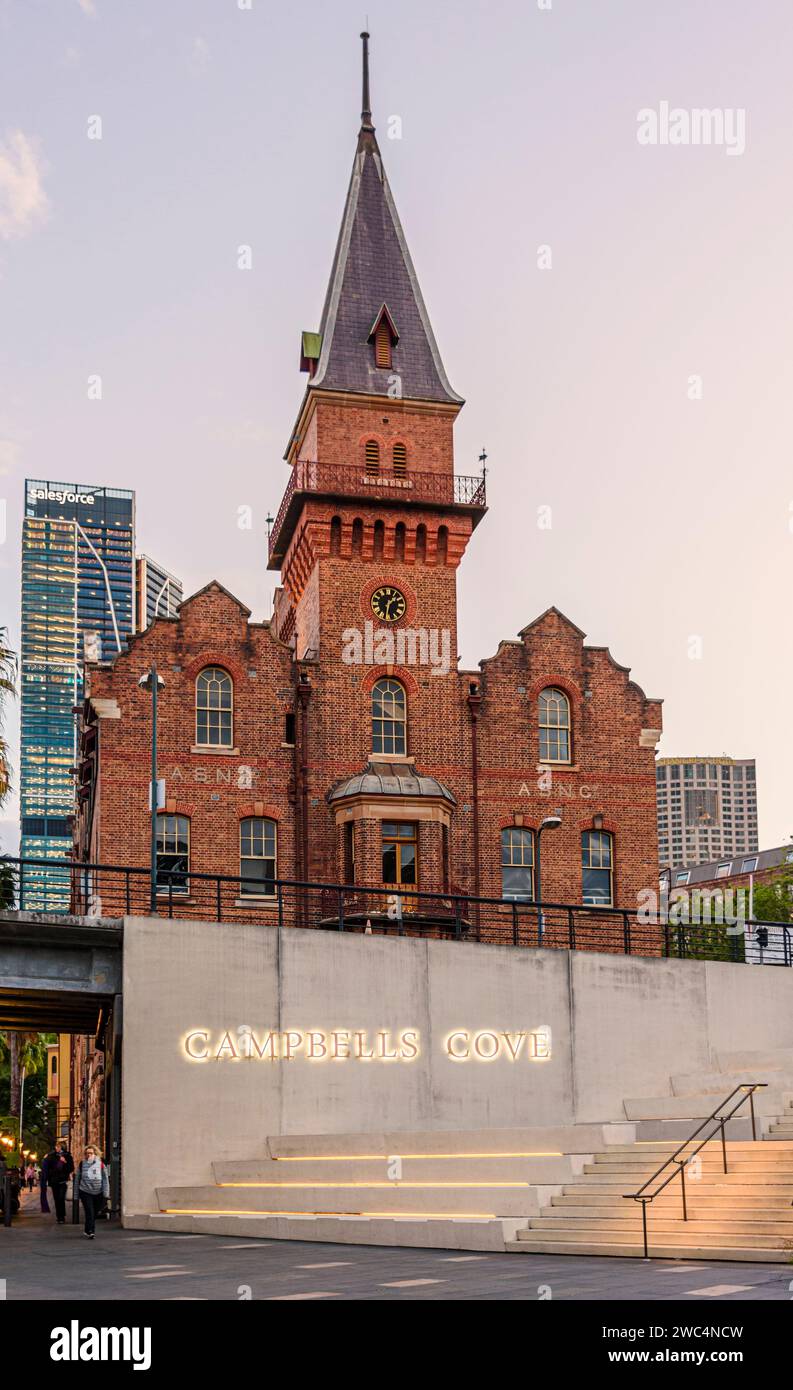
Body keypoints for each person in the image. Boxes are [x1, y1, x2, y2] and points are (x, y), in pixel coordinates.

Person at [76, 1146, 109, 1239]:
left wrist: (106, 1193)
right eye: (87, 1153)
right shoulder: (82, 1164)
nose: (88, 1155)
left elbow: (105, 1179)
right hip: (85, 1191)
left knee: (94, 1212)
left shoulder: (101, 1164)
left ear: (95, 1154)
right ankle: (91, 1231)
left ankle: (87, 1229)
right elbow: (77, 1179)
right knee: (89, 1211)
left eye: (90, 1153)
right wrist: (76, 1195)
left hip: (98, 1192)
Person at [45, 1141, 74, 1225]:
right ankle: (59, 1216)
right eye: (56, 1147)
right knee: (57, 1199)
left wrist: (65, 1162)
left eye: (58, 1147)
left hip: (63, 1181)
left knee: (61, 1198)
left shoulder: (68, 1157)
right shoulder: (52, 1156)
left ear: (62, 1147)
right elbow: (47, 1168)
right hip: (54, 1181)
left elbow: (71, 1168)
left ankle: (62, 1216)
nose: (56, 1148)